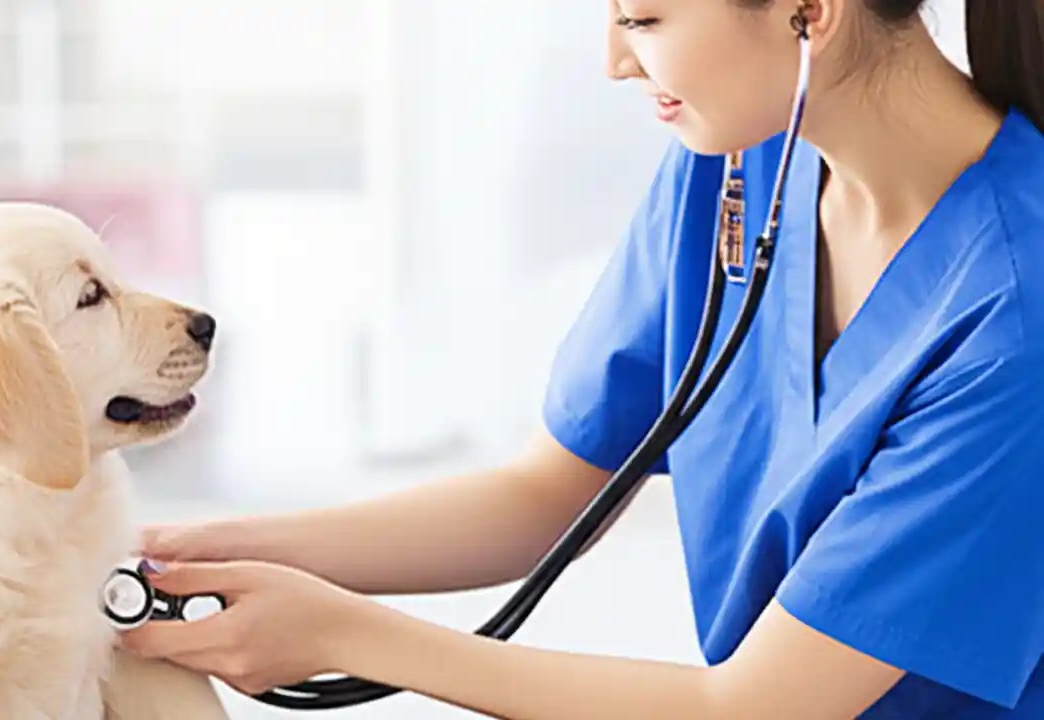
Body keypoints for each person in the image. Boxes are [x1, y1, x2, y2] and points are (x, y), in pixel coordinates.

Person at [120, 1, 1044, 717]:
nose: (614, 60)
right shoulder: (737, 167)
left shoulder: (1015, 310)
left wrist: (343, 635)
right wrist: (194, 555)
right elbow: (542, 498)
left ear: (810, 12)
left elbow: (756, 708)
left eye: (643, 19)